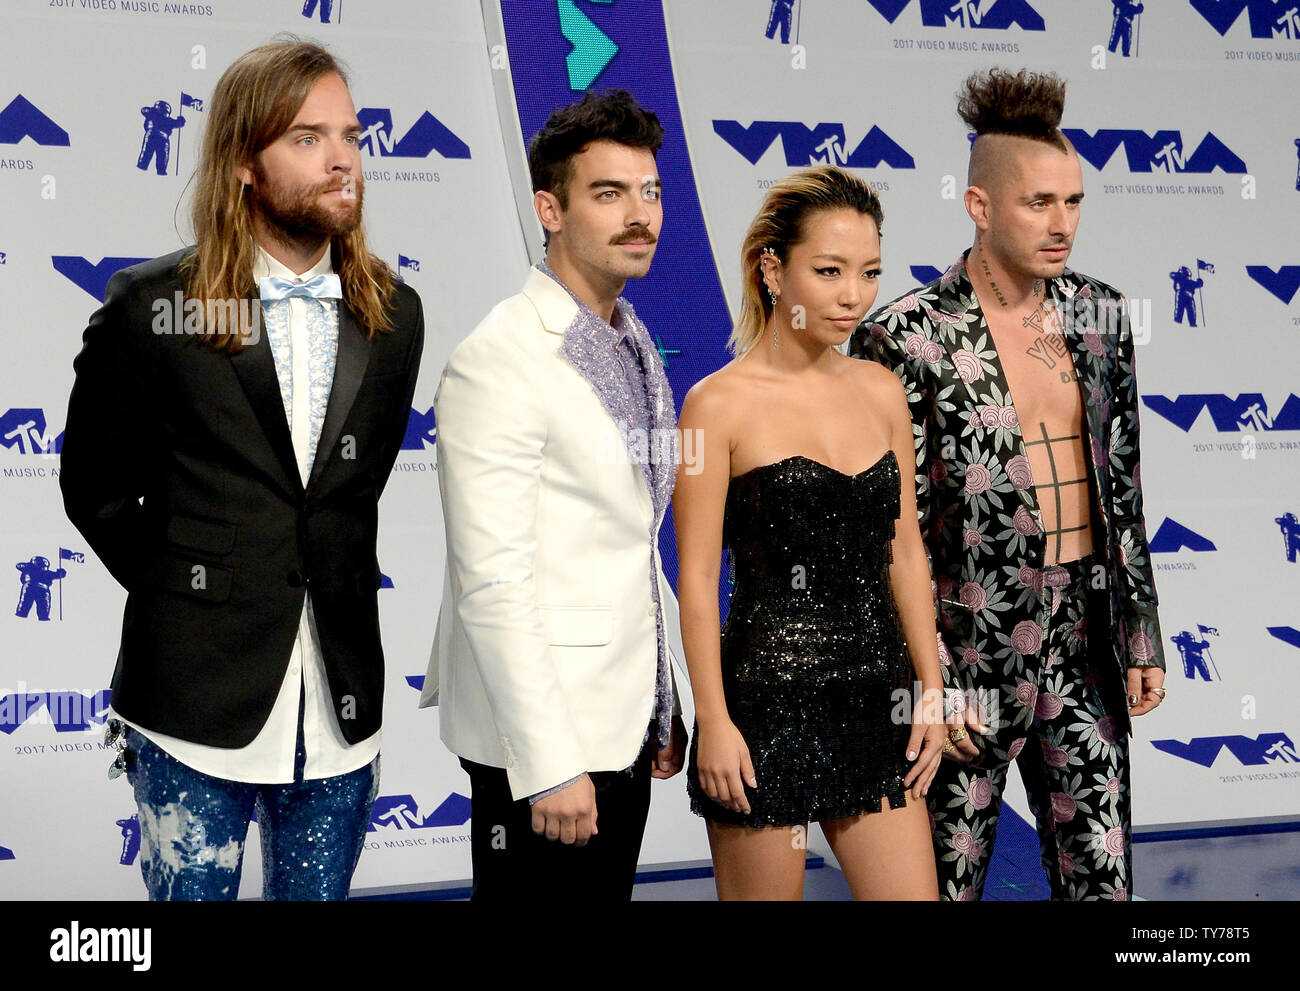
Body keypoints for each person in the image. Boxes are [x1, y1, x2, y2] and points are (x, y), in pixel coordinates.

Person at [60, 39, 424, 900]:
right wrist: (190, 588)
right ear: (242, 165)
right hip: (189, 704)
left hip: (340, 702)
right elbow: (95, 488)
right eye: (306, 137)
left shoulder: (396, 314)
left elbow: (351, 497)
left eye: (351, 134)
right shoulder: (154, 305)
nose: (342, 158)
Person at [850, 68, 1166, 901]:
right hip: (963, 652)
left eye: (1073, 202)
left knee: (1103, 885)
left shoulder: (1099, 316)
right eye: (1038, 203)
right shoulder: (907, 336)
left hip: (1087, 645)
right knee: (940, 888)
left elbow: (1122, 484)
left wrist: (1139, 632)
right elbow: (888, 528)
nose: (1062, 224)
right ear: (979, 205)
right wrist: (928, 681)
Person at [422, 89, 687, 901]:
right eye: (608, 194)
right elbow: (492, 578)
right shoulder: (500, 356)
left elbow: (628, 541)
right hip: (543, 742)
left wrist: (662, 698)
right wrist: (547, 765)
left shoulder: (630, 333)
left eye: (649, 191)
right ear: (550, 208)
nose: (639, 214)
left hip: (619, 715)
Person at [674, 165, 949, 901]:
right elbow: (696, 578)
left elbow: (906, 549)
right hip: (766, 710)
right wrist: (714, 719)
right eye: (829, 271)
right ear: (773, 268)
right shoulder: (714, 404)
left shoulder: (882, 389)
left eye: (868, 272)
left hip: (876, 701)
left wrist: (930, 685)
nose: (853, 294)